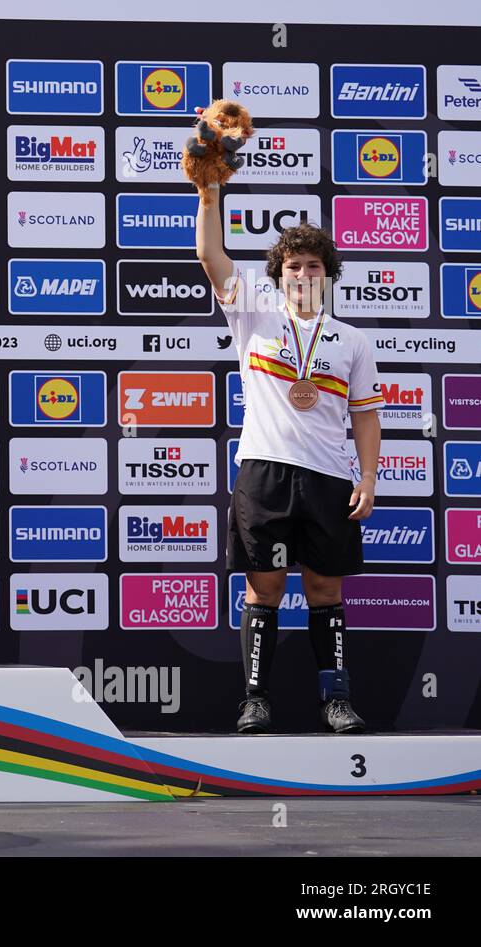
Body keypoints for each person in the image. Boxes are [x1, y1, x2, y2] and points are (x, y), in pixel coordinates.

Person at [195, 160, 382, 734]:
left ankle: (337, 698)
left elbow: (365, 415)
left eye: (314, 266)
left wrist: (368, 479)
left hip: (328, 477)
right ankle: (256, 699)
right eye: (294, 265)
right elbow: (210, 257)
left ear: (328, 275)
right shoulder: (253, 313)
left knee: (325, 588)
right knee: (266, 587)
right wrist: (209, 192)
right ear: (280, 273)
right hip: (265, 475)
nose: (303, 273)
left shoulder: (351, 340)